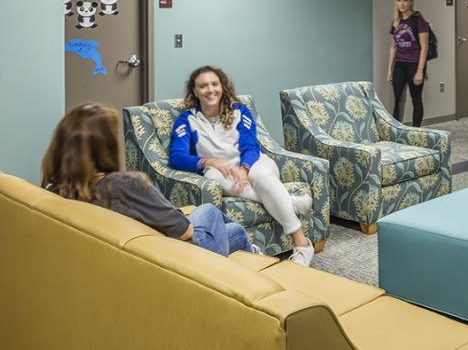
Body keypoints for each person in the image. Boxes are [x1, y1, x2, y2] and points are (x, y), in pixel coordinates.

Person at [41, 103, 254, 257]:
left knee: (232, 229)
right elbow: (185, 230)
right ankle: (250, 261)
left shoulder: (55, 189)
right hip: (183, 259)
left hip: (149, 254)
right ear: (106, 146)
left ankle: (251, 251)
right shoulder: (124, 185)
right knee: (213, 212)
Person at [168, 65, 315, 266]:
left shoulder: (240, 111)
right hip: (218, 171)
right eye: (203, 86)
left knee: (262, 177)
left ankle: (302, 244)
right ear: (194, 91)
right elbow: (177, 157)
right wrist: (210, 161)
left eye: (214, 84)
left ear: (222, 86)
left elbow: (250, 147)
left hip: (253, 162)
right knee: (213, 178)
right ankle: (289, 202)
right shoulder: (187, 120)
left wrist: (244, 170)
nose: (210, 90)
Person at [386, 0, 429, 127]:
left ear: (411, 2)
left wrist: (420, 70)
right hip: (399, 64)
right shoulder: (396, 22)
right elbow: (393, 47)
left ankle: (416, 131)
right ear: (396, 3)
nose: (402, 3)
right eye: (399, 0)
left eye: (405, 0)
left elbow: (424, 47)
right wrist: (389, 70)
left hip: (414, 64)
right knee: (397, 100)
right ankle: (397, 131)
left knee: (416, 99)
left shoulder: (418, 20)